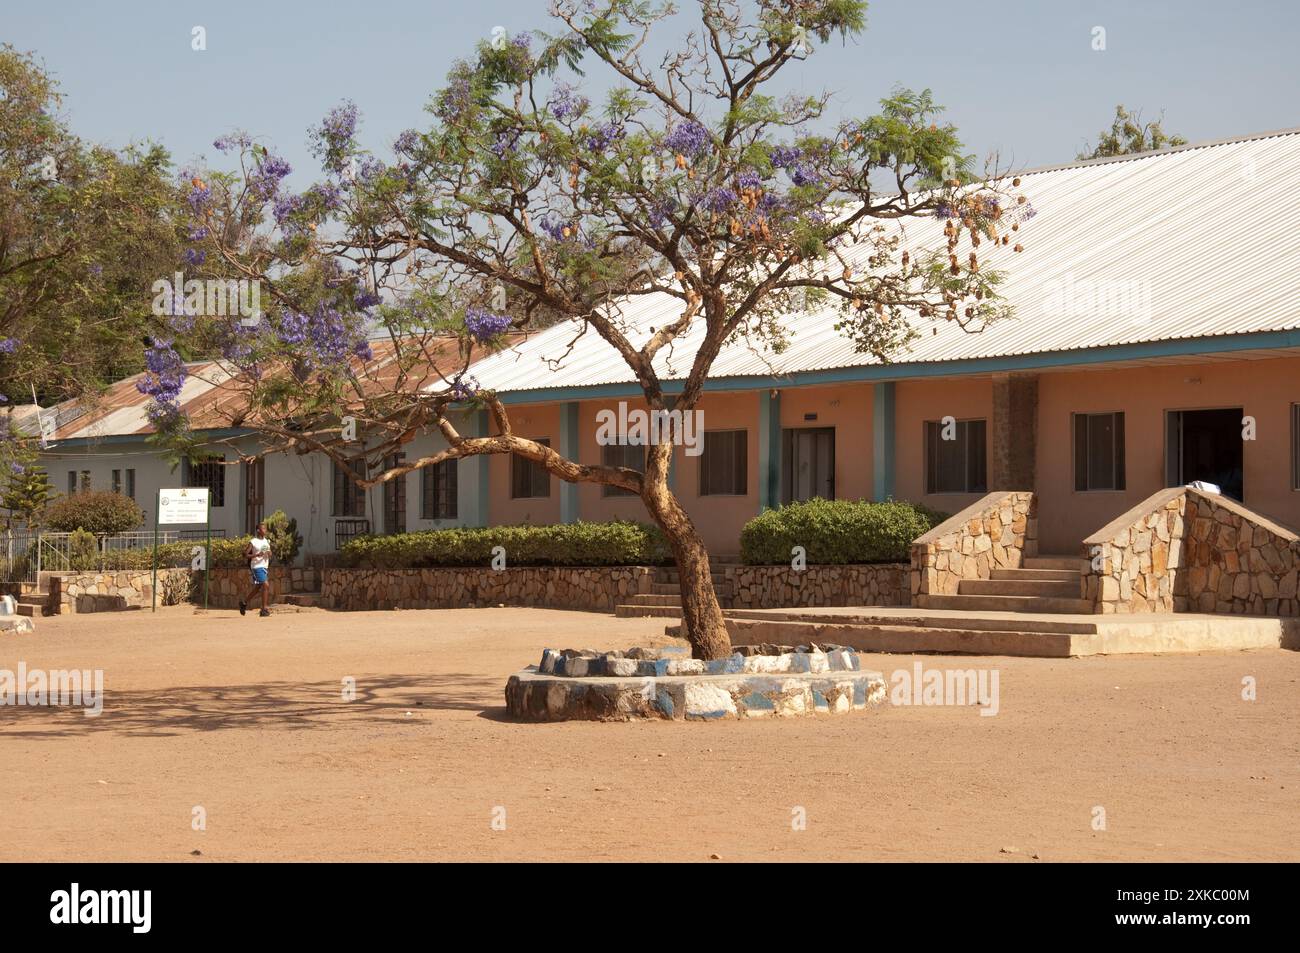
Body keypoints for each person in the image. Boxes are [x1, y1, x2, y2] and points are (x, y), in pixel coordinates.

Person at [239, 523, 272, 617]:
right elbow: (245, 554)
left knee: (258, 587)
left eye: (266, 528)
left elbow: (270, 553)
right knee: (266, 585)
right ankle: (264, 609)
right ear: (258, 530)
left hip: (264, 566)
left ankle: (244, 603)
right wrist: (256, 555)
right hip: (256, 566)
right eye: (263, 529)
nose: (265, 530)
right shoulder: (253, 541)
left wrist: (269, 553)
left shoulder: (266, 541)